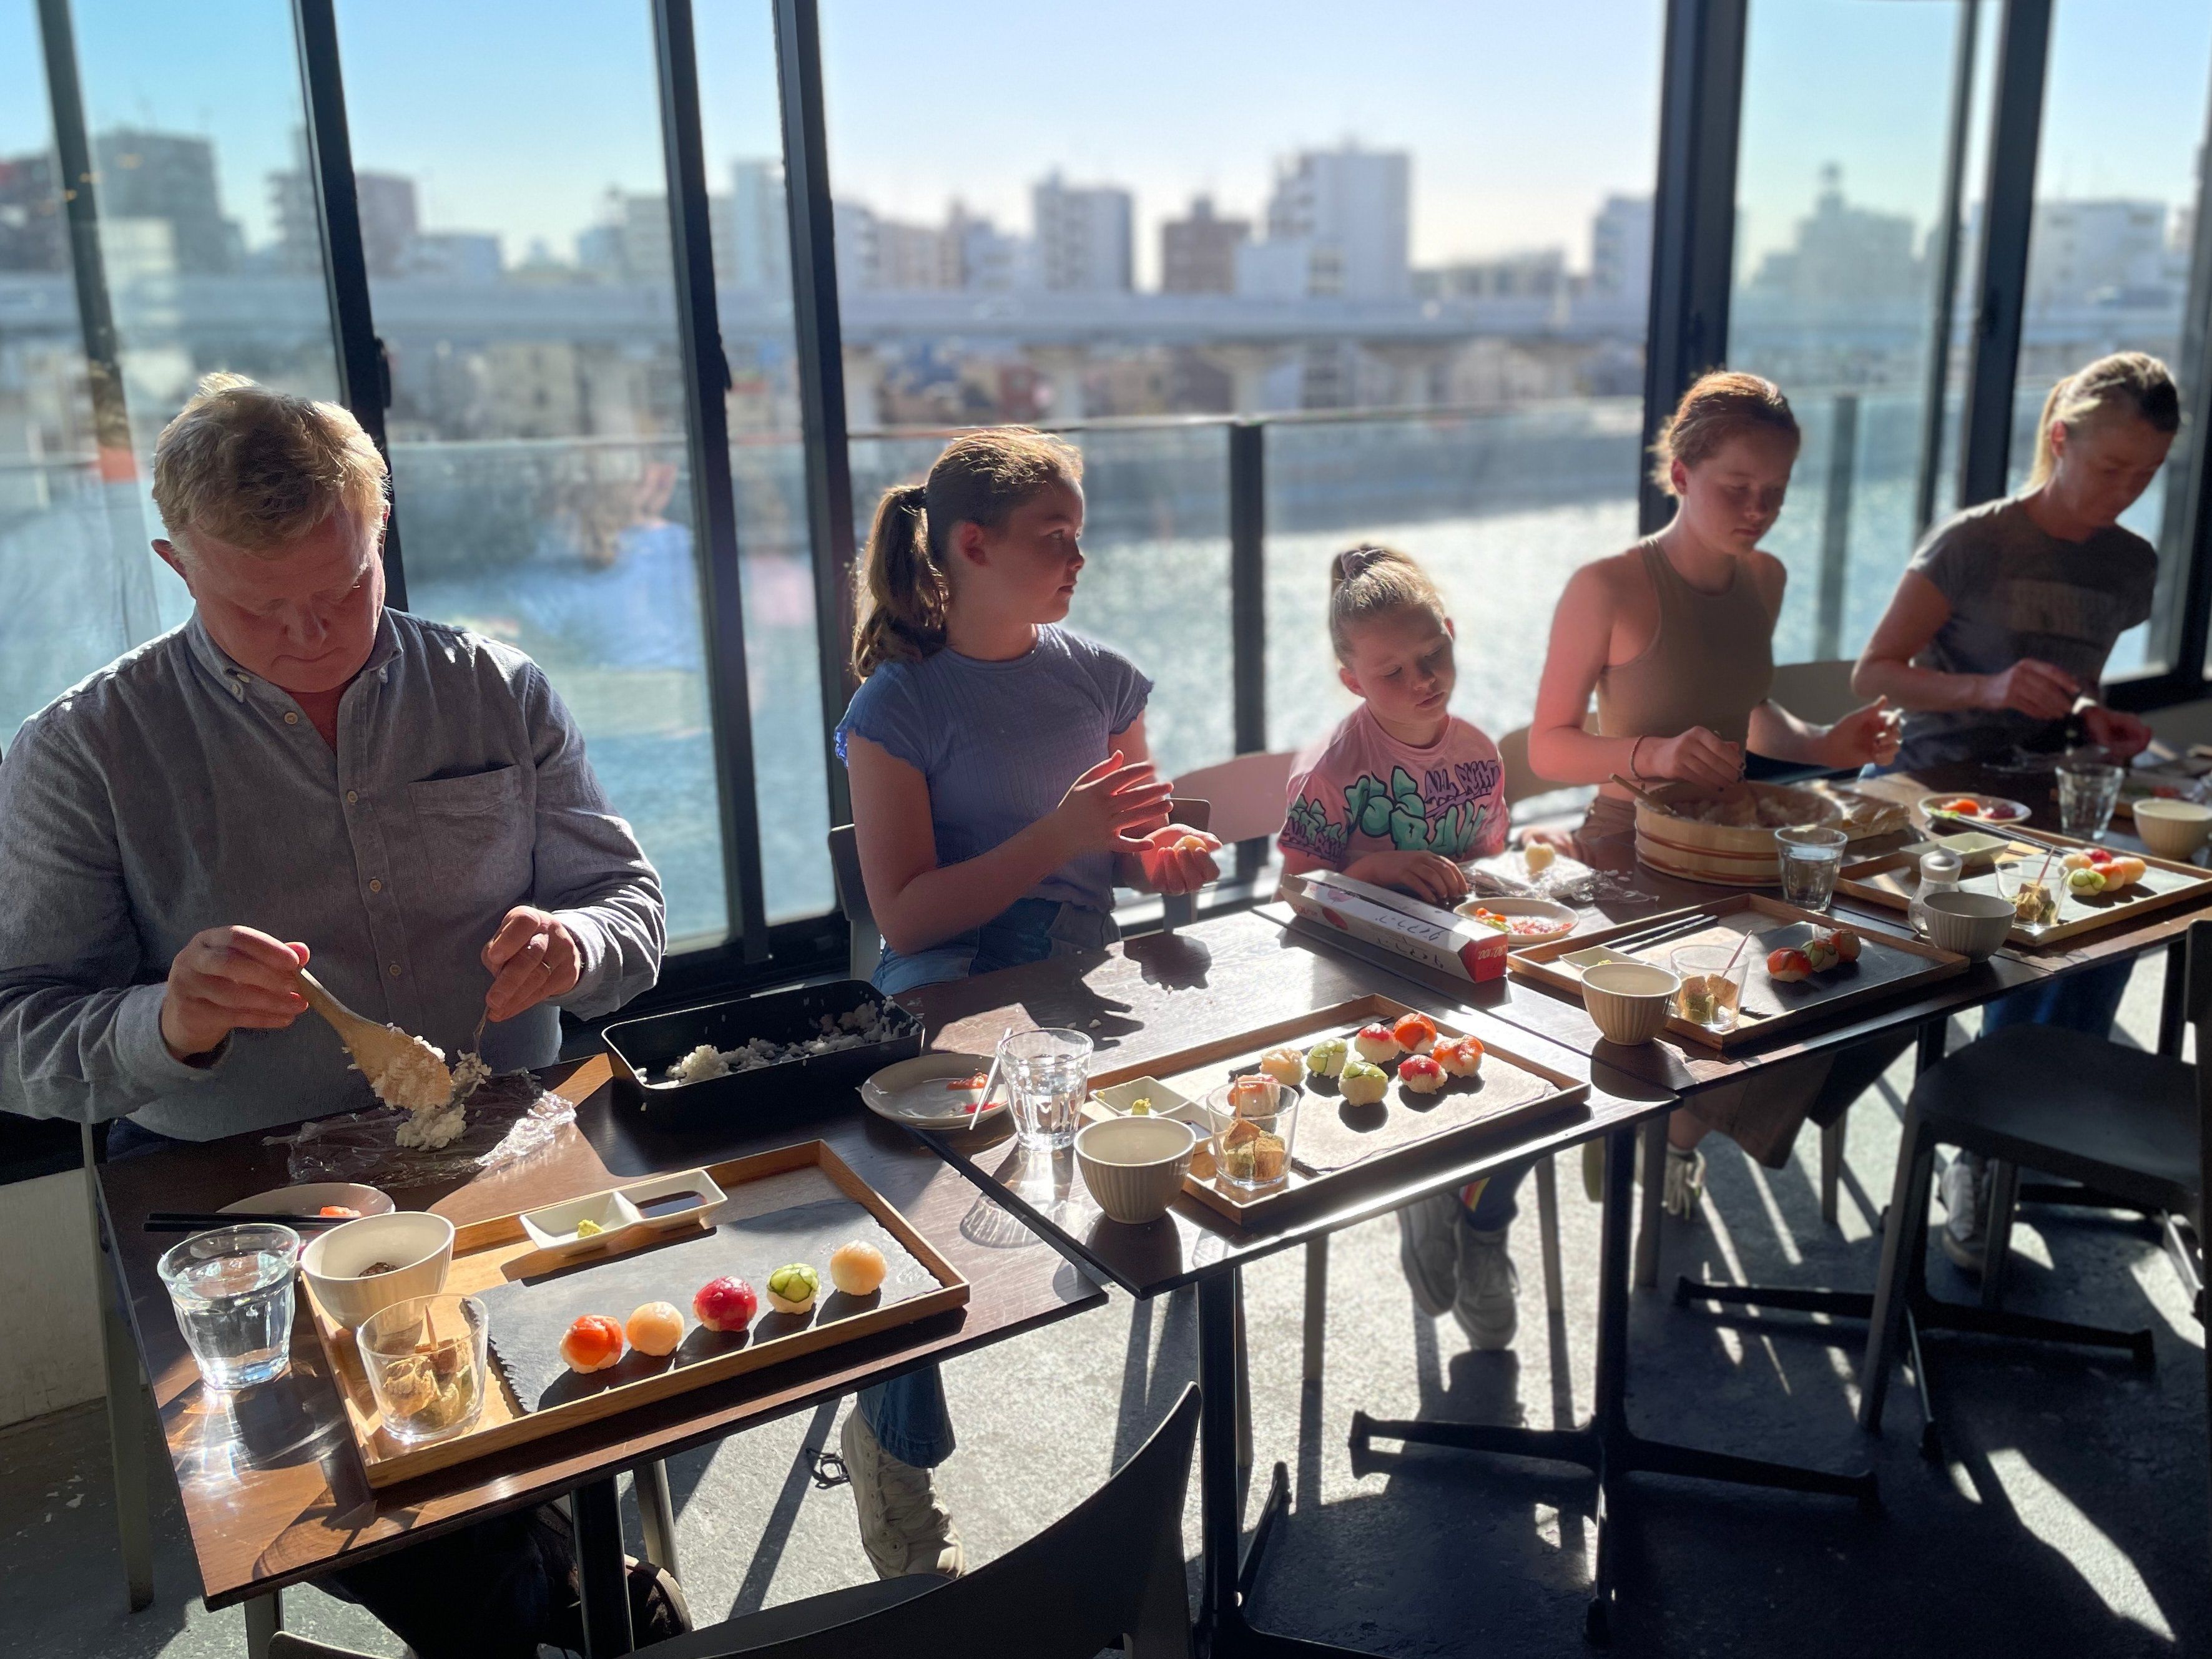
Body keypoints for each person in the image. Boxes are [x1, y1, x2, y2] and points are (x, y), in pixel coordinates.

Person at [0, 376, 682, 1657]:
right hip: (231, 1190)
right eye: (260, 608)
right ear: (173, 565)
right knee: (349, 1481)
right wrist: (169, 1022)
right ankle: (573, 1601)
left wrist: (575, 942)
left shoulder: (493, 688)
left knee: (631, 1364)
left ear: (385, 529)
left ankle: (561, 1583)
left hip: (500, 1150)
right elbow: (17, 1034)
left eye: (348, 588)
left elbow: (628, 902)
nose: (314, 635)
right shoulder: (84, 750)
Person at [836, 427, 1219, 1575]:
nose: (1077, 562)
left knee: (1213, 1123)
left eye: (1079, 538)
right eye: (1055, 540)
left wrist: (1168, 855)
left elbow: (1138, 841)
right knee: (915, 1185)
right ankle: (891, 1449)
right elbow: (904, 918)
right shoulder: (896, 706)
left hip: (1075, 978)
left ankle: (1190, 1433)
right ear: (970, 545)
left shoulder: (1098, 676)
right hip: (947, 987)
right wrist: (1059, 834)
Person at [1528, 370, 1901, 1212]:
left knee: (1873, 975)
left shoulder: (1761, 577)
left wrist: (1819, 746)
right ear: (1680, 475)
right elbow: (1548, 747)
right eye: (1736, 487)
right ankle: (1664, 1113)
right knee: (1790, 990)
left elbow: (1746, 712)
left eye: (1773, 493)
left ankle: (1676, 1126)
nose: (1755, 510)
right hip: (1630, 849)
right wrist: (1654, 751)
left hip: (1735, 843)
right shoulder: (1607, 586)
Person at [1854, 350, 2180, 1269]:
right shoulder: (1973, 541)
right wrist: (1986, 683)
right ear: (2057, 439)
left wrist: (2095, 717)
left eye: (2147, 474)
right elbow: (1871, 674)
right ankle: (1986, 1145)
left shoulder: (2131, 564)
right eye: (2110, 467)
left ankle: (2028, 1123)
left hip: (2049, 787)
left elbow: (2079, 687)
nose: (2126, 490)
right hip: (1940, 785)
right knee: (2042, 913)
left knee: (2125, 908)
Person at [1275, 545, 1526, 1346]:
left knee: (1545, 1082)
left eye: (1434, 655)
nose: (1423, 680)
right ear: (1352, 680)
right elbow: (1292, 887)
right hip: (1364, 981)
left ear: (1451, 633)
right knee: (1450, 1084)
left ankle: (1485, 1222)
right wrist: (1373, 865)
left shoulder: (1479, 752)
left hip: (1466, 969)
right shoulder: (1334, 767)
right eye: (1394, 673)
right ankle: (1429, 1186)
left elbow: (1490, 866)